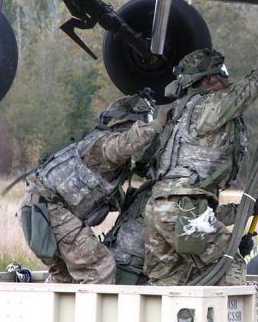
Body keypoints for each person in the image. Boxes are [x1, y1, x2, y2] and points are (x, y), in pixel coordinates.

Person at [142, 38, 258, 286]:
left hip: (160, 210)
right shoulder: (208, 106)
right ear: (206, 80)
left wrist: (244, 211)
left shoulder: (178, 115)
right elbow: (249, 89)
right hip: (185, 211)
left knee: (168, 283)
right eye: (221, 74)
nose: (226, 80)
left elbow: (194, 202)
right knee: (230, 265)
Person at [17, 92, 169, 284]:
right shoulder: (103, 144)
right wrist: (158, 124)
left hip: (39, 211)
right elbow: (124, 145)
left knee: (65, 277)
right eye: (143, 123)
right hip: (49, 210)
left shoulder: (106, 154)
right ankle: (92, 314)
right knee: (100, 268)